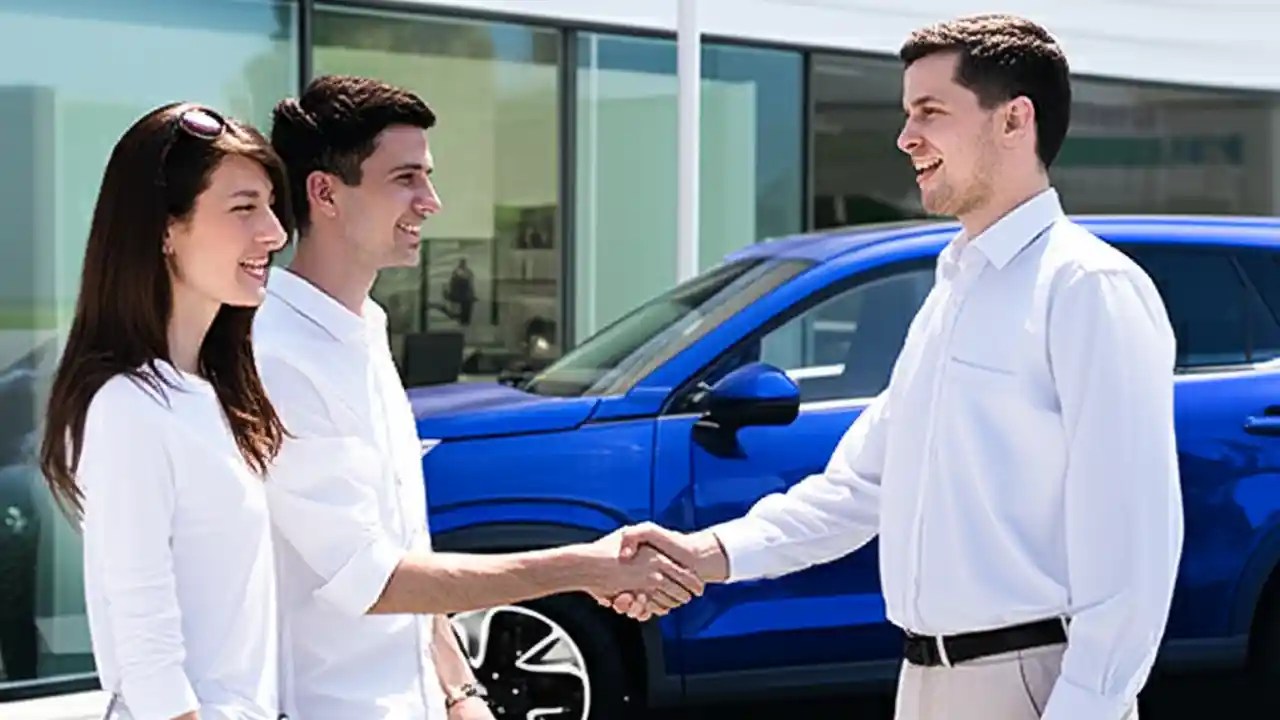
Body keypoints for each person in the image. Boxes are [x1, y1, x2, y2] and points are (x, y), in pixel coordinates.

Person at [606, 14, 1182, 720]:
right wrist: (704, 553)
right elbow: (858, 489)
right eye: (908, 114)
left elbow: (1133, 544)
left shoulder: (1088, 287)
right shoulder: (952, 291)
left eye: (930, 112)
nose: (906, 137)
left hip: (1033, 683)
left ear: (1014, 119)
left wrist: (1085, 708)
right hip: (924, 682)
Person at [254, 74, 702, 720]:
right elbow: (370, 578)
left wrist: (460, 691)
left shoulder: (363, 328)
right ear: (324, 192)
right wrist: (585, 567)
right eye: (405, 178)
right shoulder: (277, 356)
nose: (430, 201)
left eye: (427, 176)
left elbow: (407, 547)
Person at [38, 102, 292, 719]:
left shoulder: (214, 393)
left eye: (270, 206)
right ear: (165, 230)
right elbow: (149, 659)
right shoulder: (127, 409)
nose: (275, 233)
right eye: (243, 208)